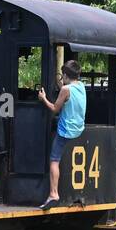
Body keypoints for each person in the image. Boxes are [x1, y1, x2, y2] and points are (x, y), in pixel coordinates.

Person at [36, 58, 86, 209]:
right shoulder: (81, 86)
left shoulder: (65, 90)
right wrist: (60, 84)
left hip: (66, 131)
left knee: (54, 160)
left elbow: (54, 108)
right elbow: (67, 93)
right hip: (78, 127)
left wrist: (43, 98)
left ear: (65, 75)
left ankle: (53, 193)